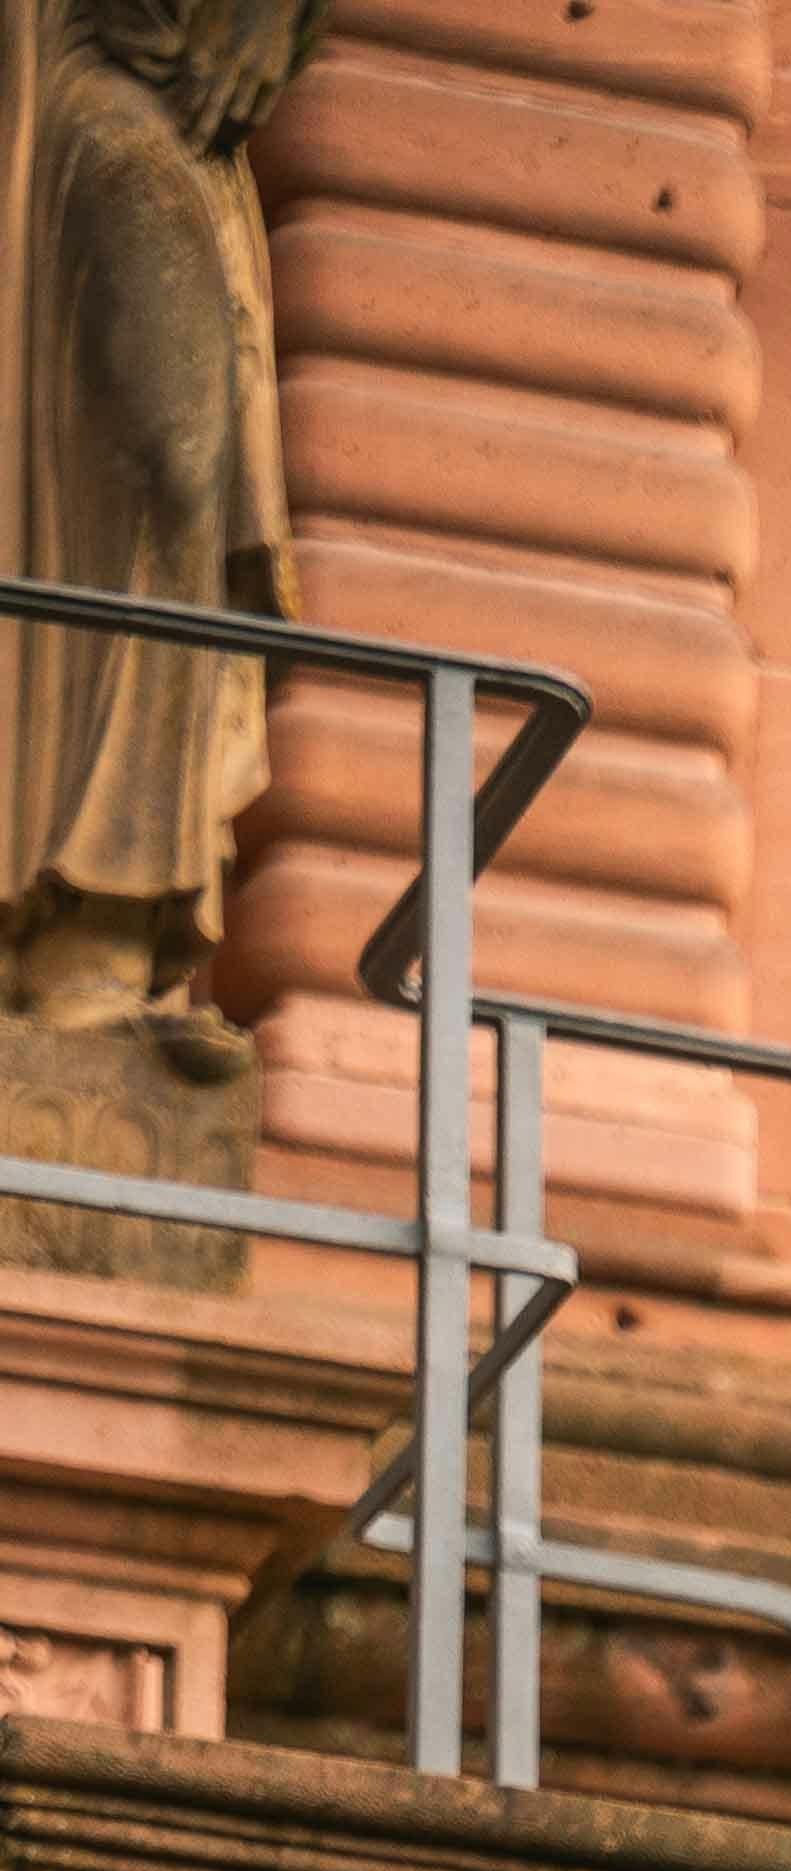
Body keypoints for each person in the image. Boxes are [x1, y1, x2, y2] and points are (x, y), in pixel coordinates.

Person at [0, 0, 318, 1075]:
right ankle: (74, 949)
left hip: (161, 89)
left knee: (179, 468)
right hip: (56, 65)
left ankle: (105, 932)